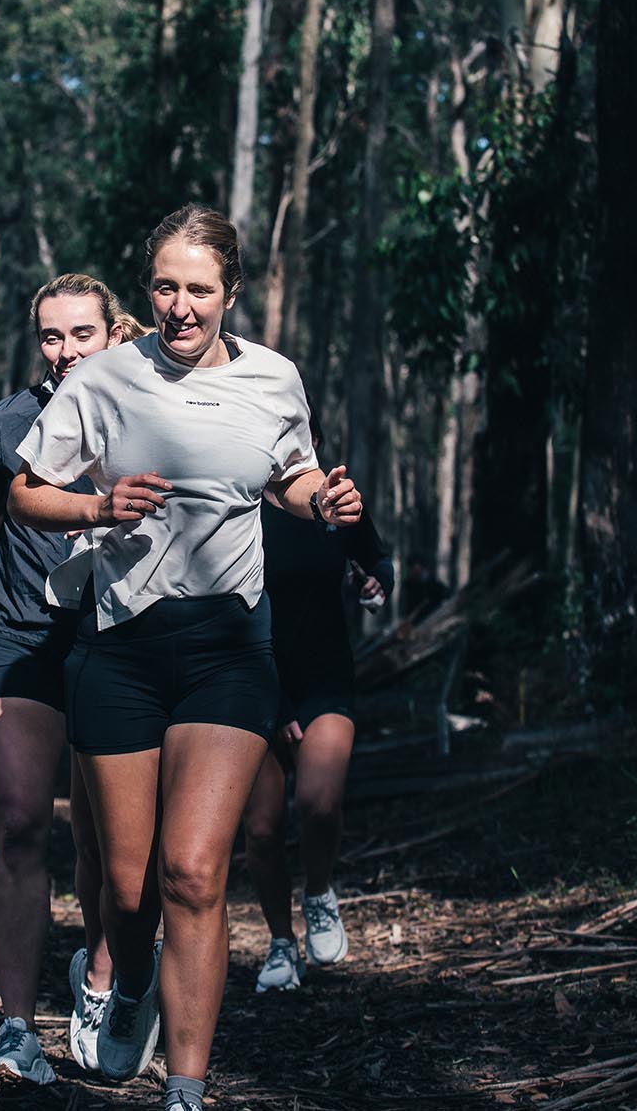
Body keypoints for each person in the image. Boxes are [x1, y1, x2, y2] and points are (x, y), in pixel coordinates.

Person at [7, 204, 362, 1111]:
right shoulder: (107, 379)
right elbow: (24, 491)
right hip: (121, 649)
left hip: (230, 644)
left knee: (194, 871)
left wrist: (324, 499)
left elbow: (287, 473)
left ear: (231, 292)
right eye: (165, 284)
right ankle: (126, 977)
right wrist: (97, 508)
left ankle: (188, 1091)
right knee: (127, 891)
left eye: (199, 288)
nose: (179, 304)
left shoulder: (276, 379)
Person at [0, 274, 141, 1089]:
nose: (65, 351)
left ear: (110, 331)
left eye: (80, 334)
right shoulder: (12, 421)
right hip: (19, 637)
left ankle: (100, 976)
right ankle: (15, 1031)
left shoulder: (144, 411)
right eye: (50, 337)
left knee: (106, 846)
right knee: (19, 823)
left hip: (116, 642)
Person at [243, 413, 394, 992]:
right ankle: (281, 943)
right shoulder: (242, 509)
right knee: (260, 829)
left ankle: (320, 893)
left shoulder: (334, 503)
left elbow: (374, 558)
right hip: (255, 680)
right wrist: (275, 703)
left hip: (325, 676)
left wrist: (374, 583)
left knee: (319, 804)